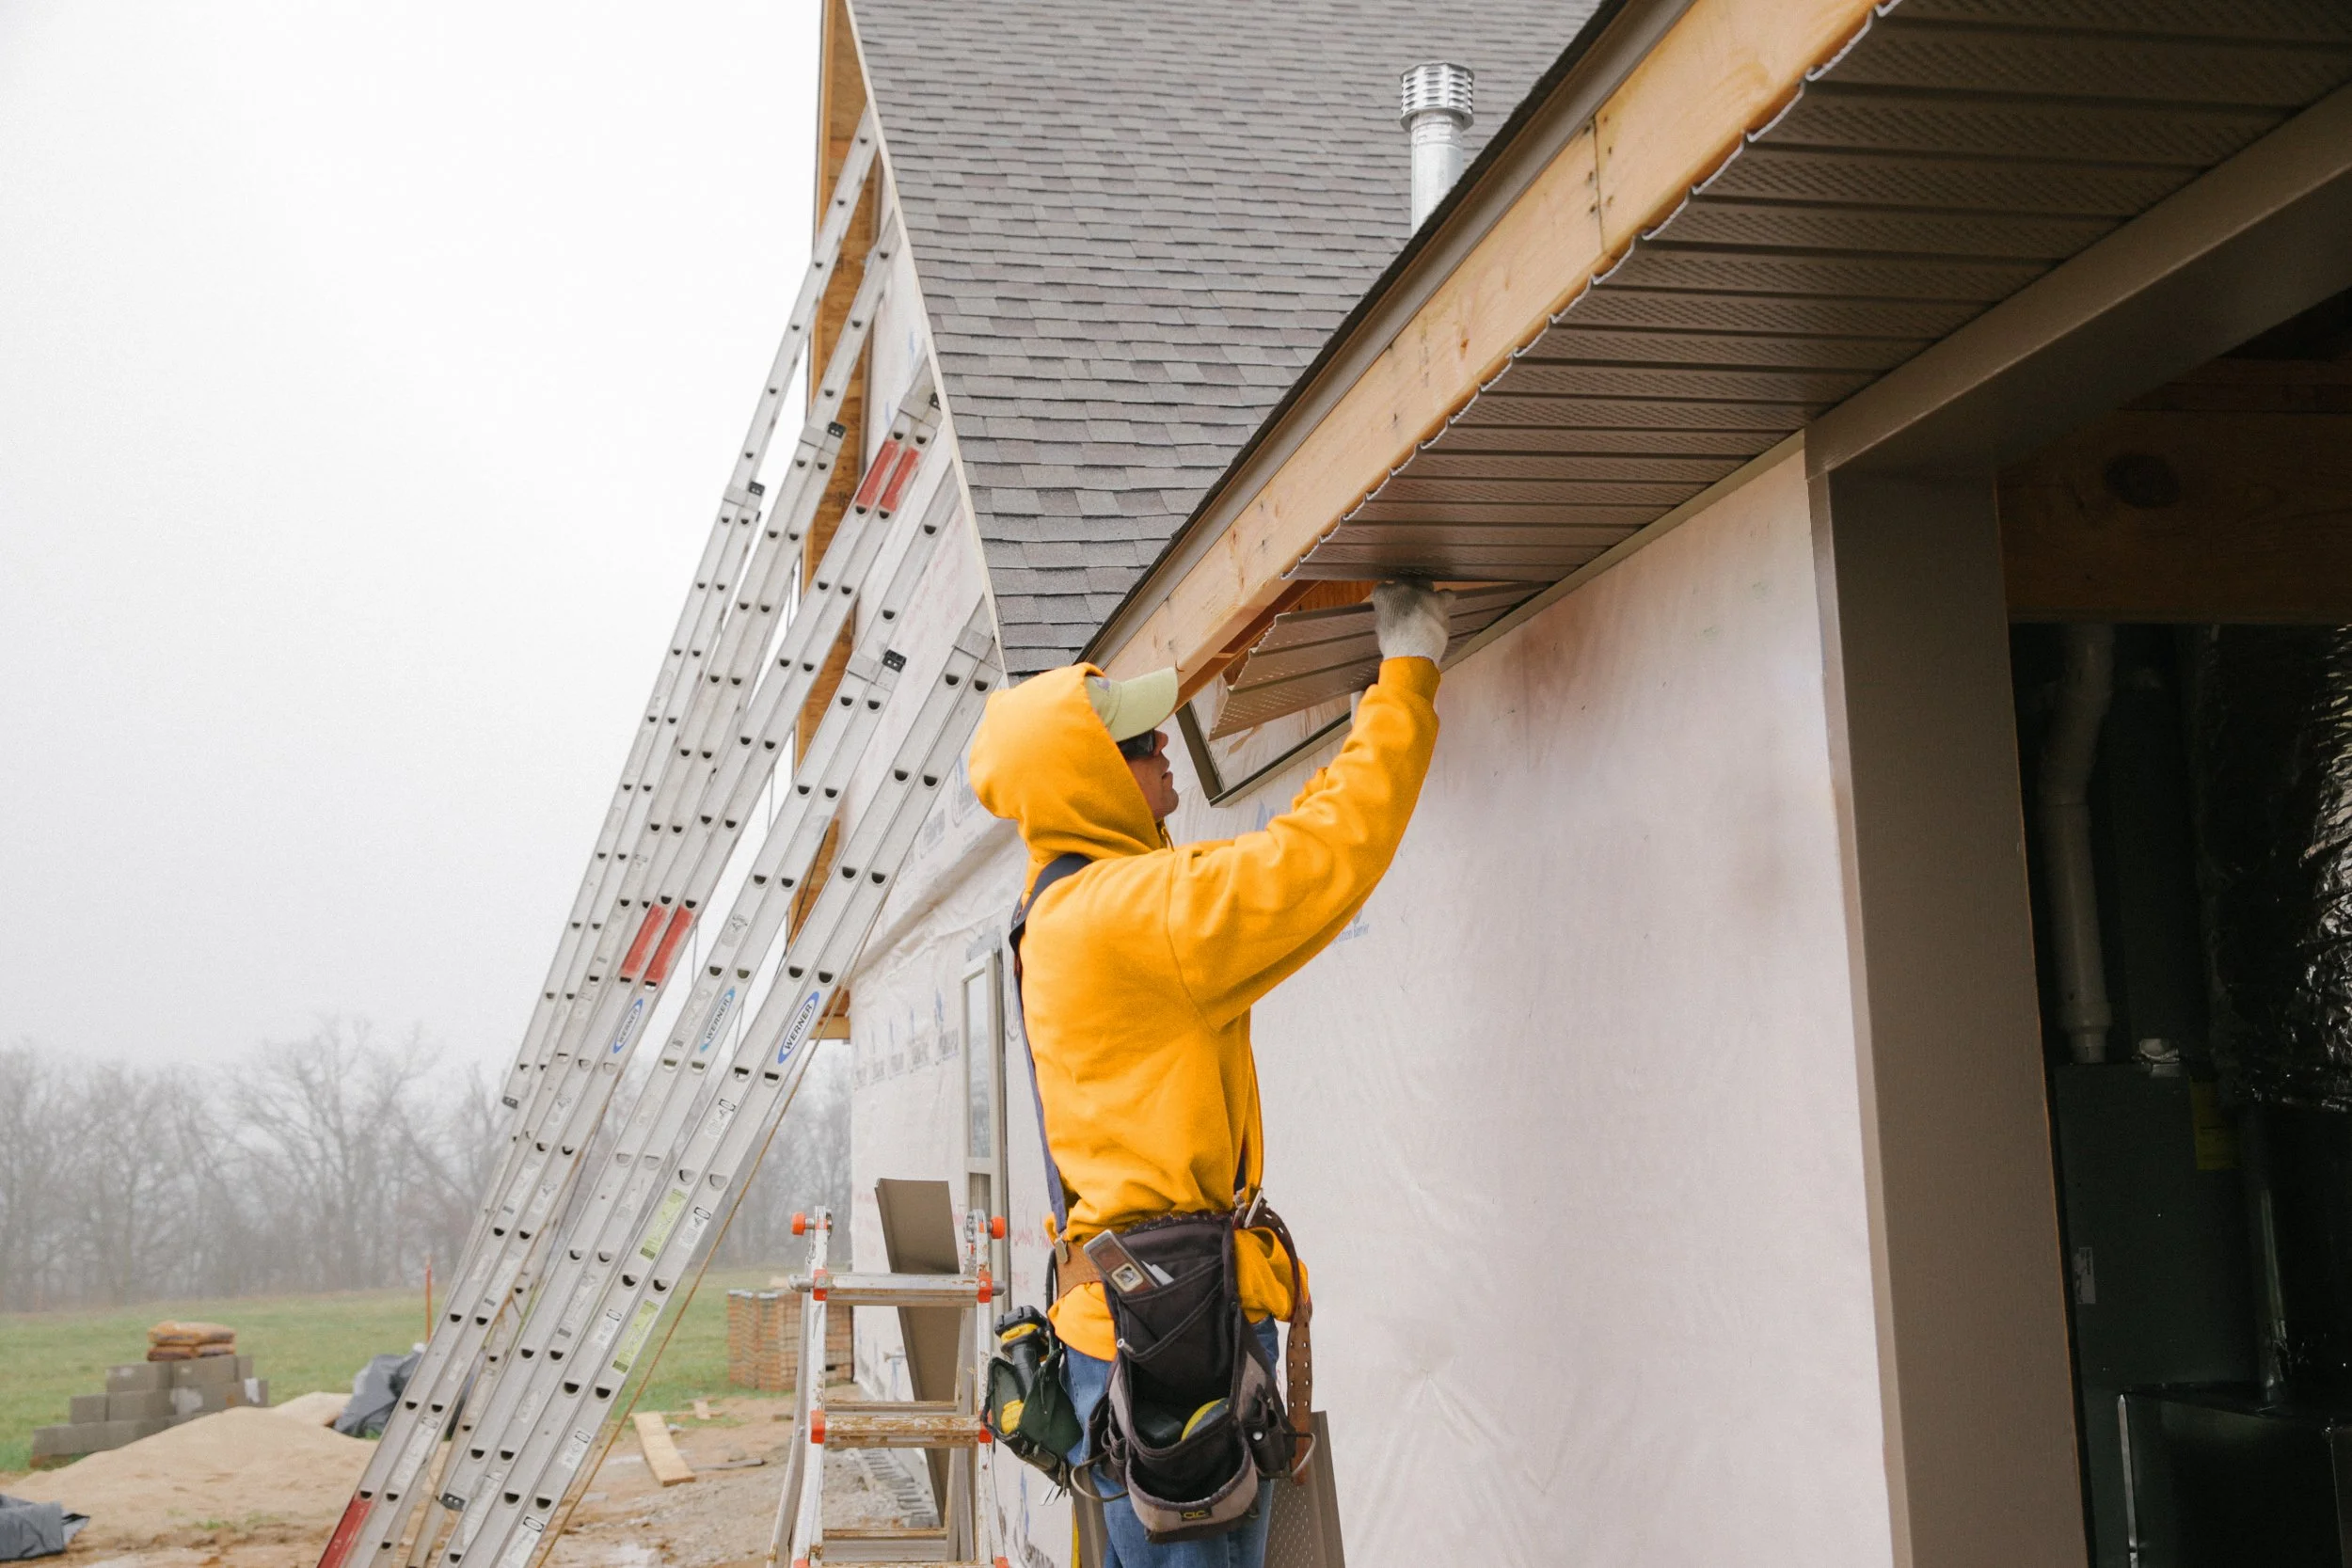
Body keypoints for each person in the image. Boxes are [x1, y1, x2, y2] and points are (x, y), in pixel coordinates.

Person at [965, 580, 1452, 1566]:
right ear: (1088, 782)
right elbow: (1317, 861)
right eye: (1146, 753)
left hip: (1125, 1324)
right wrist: (1406, 680)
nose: (1170, 775)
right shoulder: (1131, 917)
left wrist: (1359, 732)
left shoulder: (1059, 911)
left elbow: (1265, 861)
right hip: (1177, 1337)